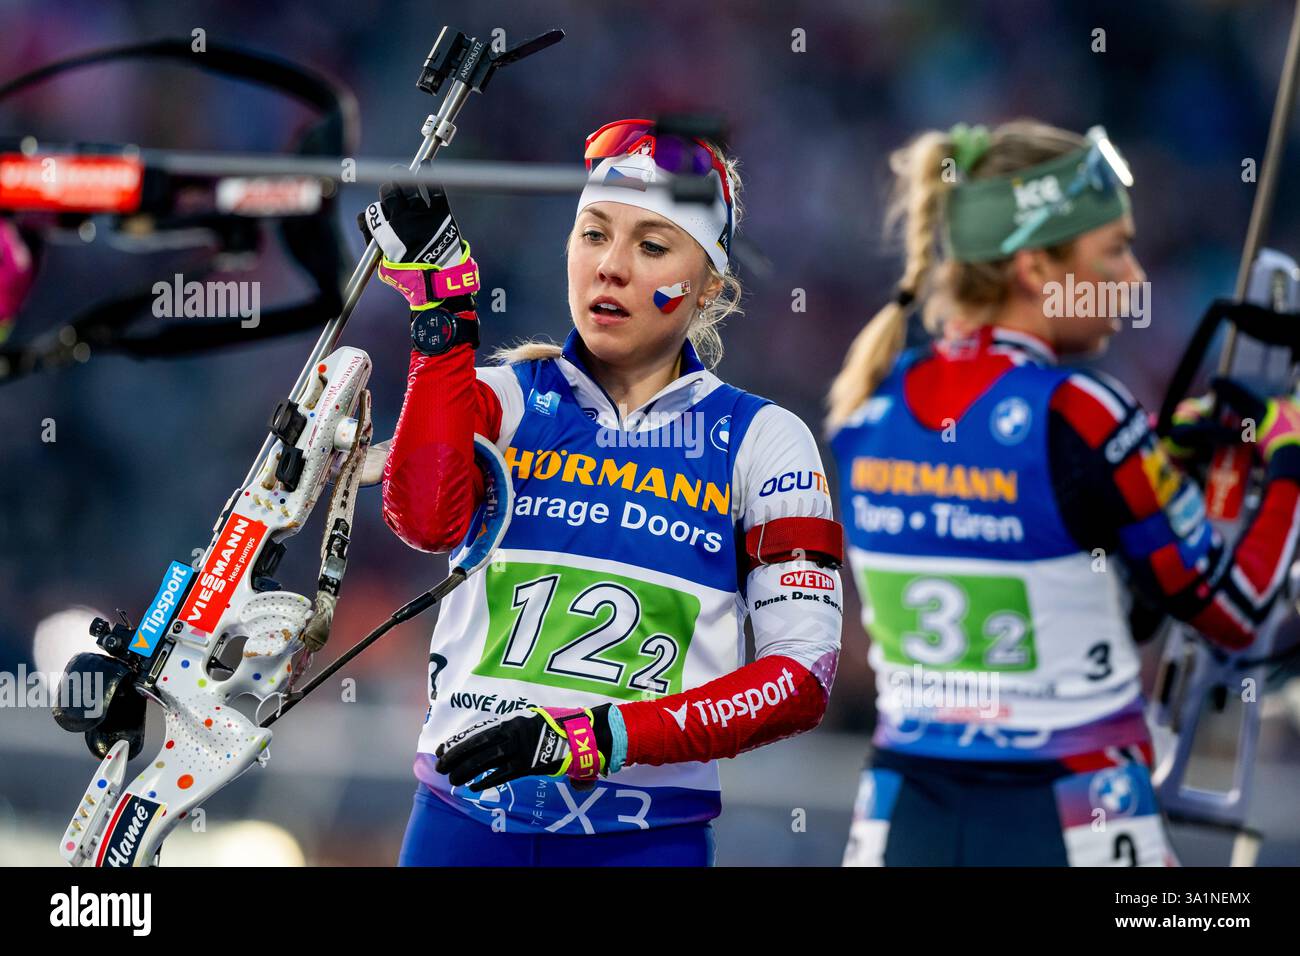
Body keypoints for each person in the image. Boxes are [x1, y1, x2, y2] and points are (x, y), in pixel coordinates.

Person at [359, 119, 844, 866]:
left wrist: (593, 737)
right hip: (463, 821)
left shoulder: (765, 439)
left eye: (652, 246)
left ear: (709, 282)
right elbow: (423, 519)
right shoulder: (503, 398)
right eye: (593, 235)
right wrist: (442, 315)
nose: (611, 267)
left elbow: (798, 679)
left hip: (643, 837)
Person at [825, 119, 1300, 866]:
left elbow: (1039, 527)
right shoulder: (1083, 408)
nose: (1137, 280)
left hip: (900, 819)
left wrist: (1158, 460)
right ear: (1037, 268)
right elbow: (1237, 611)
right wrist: (1289, 462)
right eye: (1114, 250)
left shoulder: (871, 403)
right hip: (1075, 817)